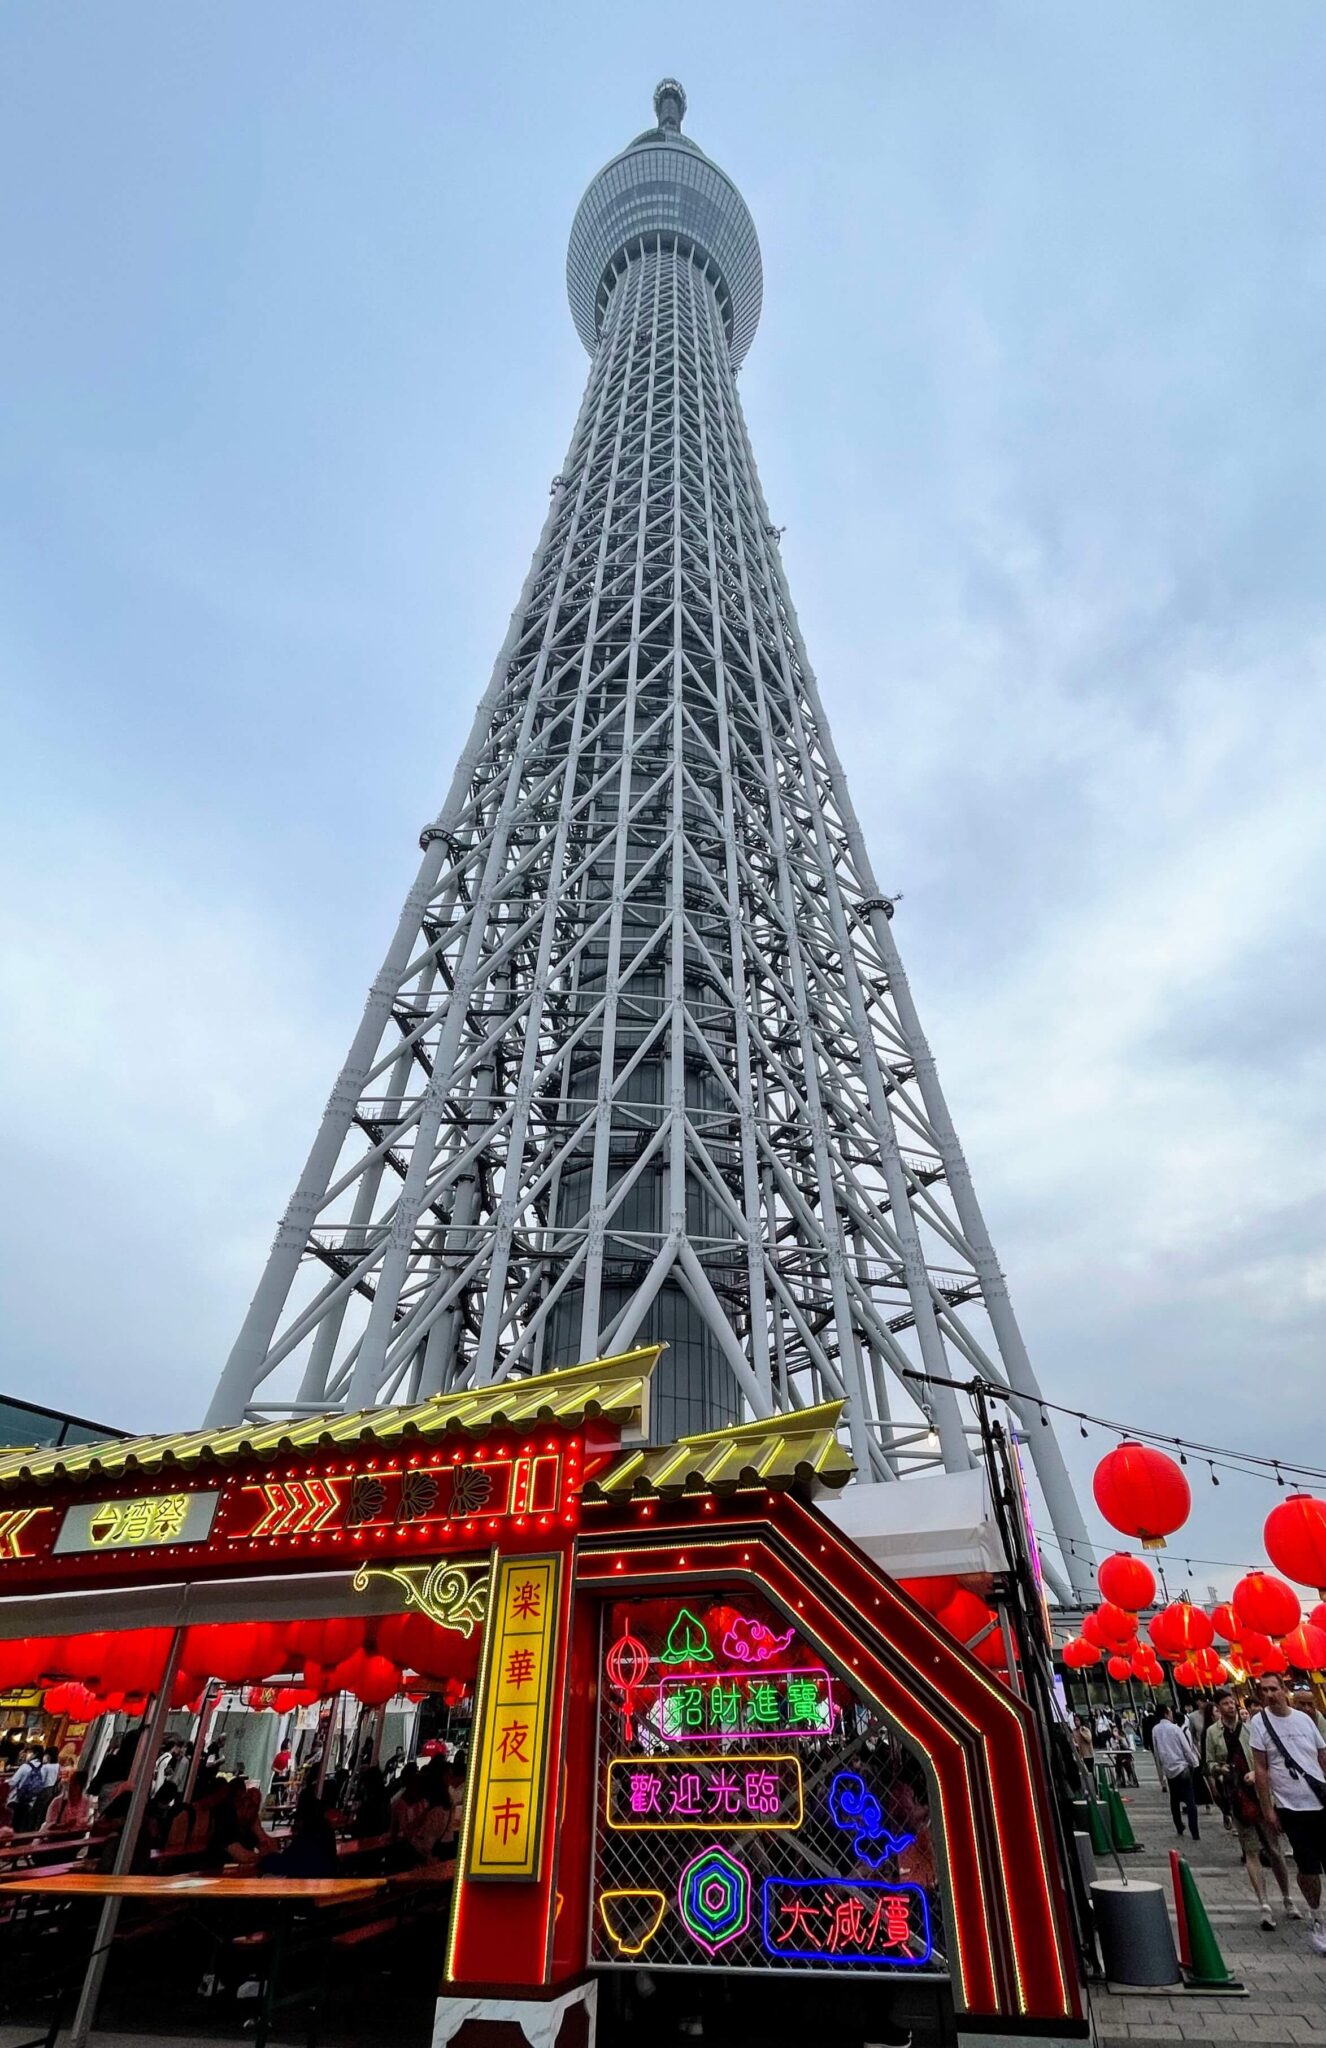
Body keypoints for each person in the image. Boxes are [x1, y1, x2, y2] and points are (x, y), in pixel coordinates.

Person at [1204, 1692, 1299, 1928]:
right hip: (1237, 1797)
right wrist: (1219, 1769)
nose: (1230, 1706)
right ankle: (1264, 1903)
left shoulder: (1251, 1728)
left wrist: (1256, 1773)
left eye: (1232, 1703)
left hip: (1261, 1795)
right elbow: (1208, 1762)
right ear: (1218, 1707)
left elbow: (1267, 1759)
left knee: (1274, 1850)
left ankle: (1287, 1898)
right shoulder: (1213, 1733)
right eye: (1225, 1704)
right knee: (1251, 1851)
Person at [1250, 1672, 1326, 1956]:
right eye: (1264, 1690)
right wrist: (1267, 1808)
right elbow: (1260, 1768)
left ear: (1284, 1690)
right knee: (1307, 1867)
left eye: (1274, 1689)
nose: (1269, 1694)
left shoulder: (1304, 1720)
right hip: (1290, 1806)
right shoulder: (1260, 1722)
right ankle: (1317, 1917)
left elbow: (1322, 1757)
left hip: (1319, 1800)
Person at [1151, 1704, 1201, 1839]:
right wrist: (1194, 1763)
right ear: (1166, 1713)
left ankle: (1179, 1826)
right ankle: (1194, 1831)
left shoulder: (1155, 1730)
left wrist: (1161, 1774)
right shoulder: (1175, 1728)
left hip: (1169, 1769)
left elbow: (1156, 1751)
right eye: (1170, 1712)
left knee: (1174, 1800)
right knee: (1190, 1800)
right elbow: (1186, 1748)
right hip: (1182, 1767)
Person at [263, 1788, 337, 1878]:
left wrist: (265, 1859)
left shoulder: (307, 1834)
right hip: (327, 1879)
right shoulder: (326, 1830)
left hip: (305, 1881)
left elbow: (286, 1863)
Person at [204, 1782, 276, 1871]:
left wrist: (260, 1834)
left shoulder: (250, 1822)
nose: (256, 1810)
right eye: (251, 1805)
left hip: (238, 1870)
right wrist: (263, 1857)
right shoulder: (225, 1819)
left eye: (257, 1806)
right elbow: (241, 1855)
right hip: (216, 1870)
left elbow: (268, 1844)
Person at [39, 1769, 97, 1837]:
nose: (71, 1787)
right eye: (70, 1783)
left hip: (76, 1838)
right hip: (56, 1838)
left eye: (75, 1784)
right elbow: (49, 1826)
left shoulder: (86, 1802)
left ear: (81, 1787)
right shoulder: (58, 1802)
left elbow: (85, 1823)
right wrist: (65, 1826)